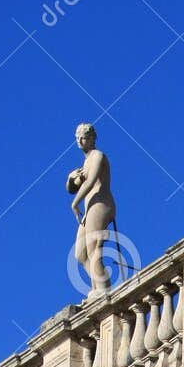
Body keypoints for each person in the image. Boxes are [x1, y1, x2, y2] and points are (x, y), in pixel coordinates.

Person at [67, 124, 117, 299]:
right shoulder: (85, 162)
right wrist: (71, 179)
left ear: (92, 138)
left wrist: (75, 203)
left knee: (93, 249)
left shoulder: (98, 156)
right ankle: (97, 287)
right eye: (77, 138)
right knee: (80, 253)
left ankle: (103, 290)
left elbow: (90, 181)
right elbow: (72, 188)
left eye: (84, 137)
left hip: (101, 204)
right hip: (90, 207)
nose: (80, 141)